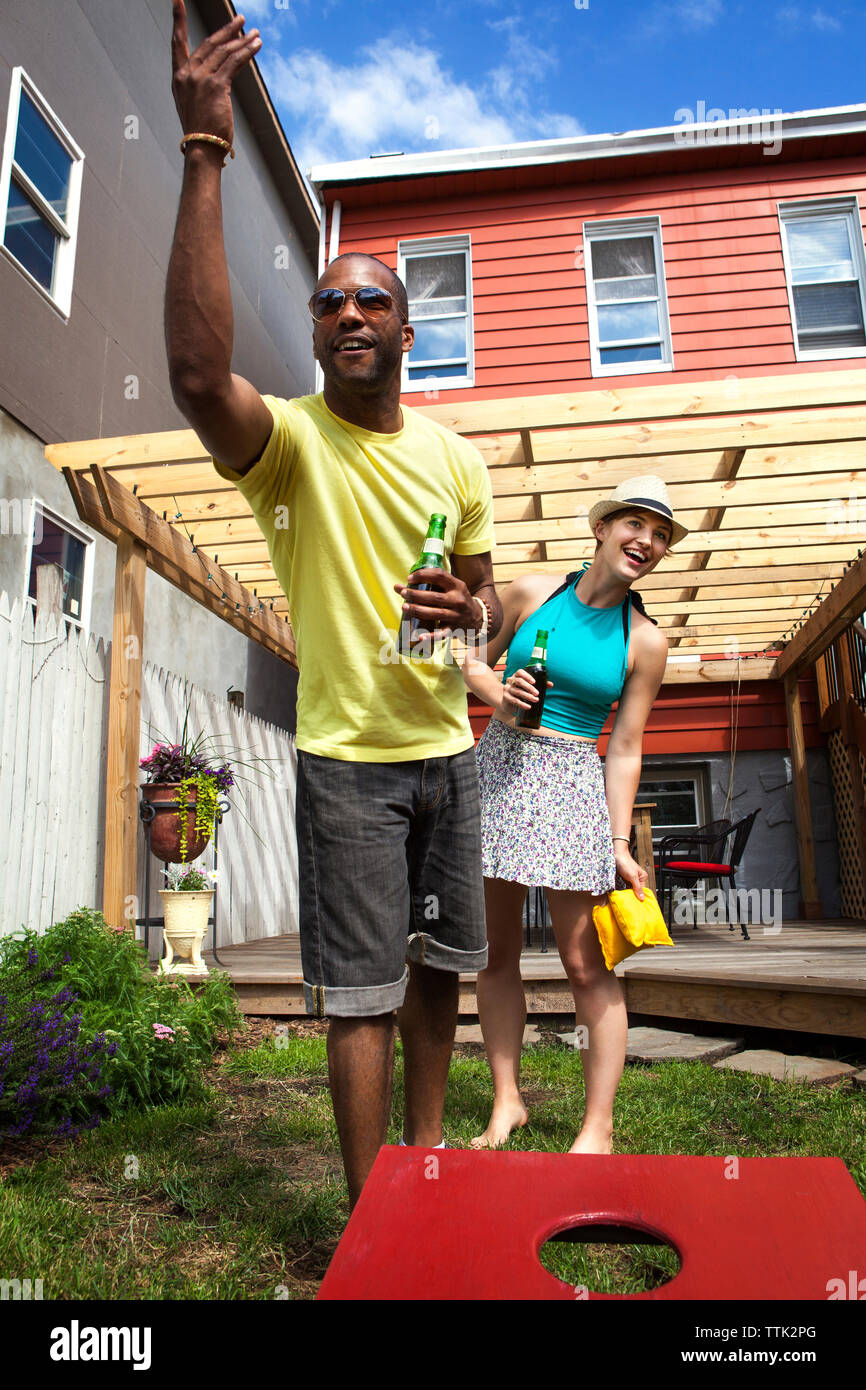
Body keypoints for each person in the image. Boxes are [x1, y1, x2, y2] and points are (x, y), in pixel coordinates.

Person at [166, 3, 502, 1208]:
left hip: (445, 751)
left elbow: (485, 603)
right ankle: (373, 1222)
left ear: (407, 326)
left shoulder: (457, 457)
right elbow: (196, 376)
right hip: (350, 762)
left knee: (438, 966)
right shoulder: (291, 445)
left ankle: (426, 1170)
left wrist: (465, 609)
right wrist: (205, 149)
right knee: (360, 991)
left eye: (370, 301)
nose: (348, 313)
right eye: (326, 304)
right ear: (314, 334)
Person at [462, 476, 685, 1154]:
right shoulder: (531, 593)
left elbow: (625, 747)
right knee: (495, 955)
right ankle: (507, 1102)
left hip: (570, 786)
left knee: (587, 965)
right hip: (498, 768)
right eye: (634, 524)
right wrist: (497, 693)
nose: (645, 541)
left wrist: (618, 841)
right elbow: (465, 659)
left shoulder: (645, 641)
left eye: (660, 535)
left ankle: (598, 1127)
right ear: (602, 528)